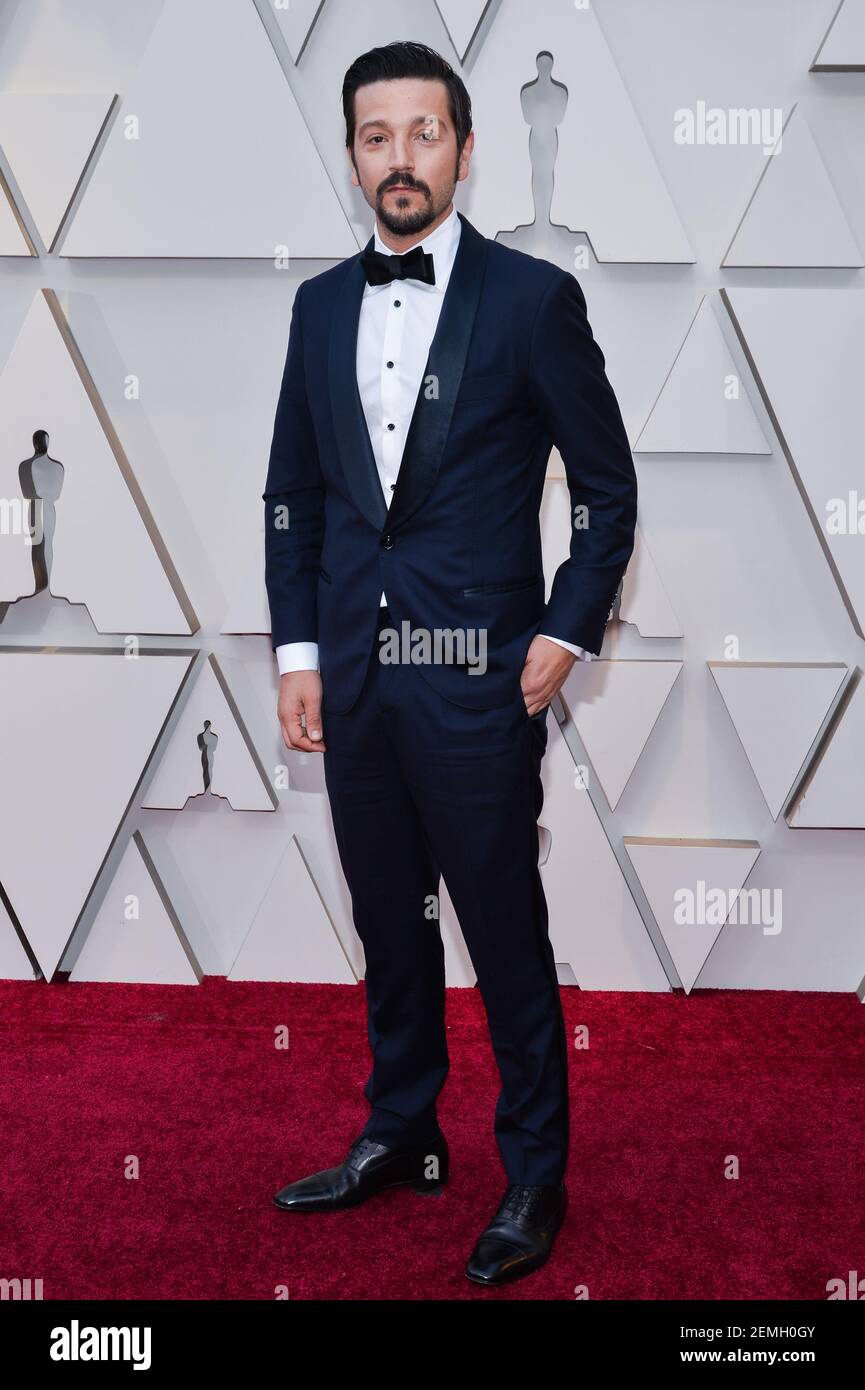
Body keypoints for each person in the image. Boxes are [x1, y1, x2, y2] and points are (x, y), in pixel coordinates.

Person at [261, 40, 637, 1287]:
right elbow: (295, 495)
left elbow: (604, 487)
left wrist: (566, 627)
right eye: (377, 137)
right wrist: (301, 652)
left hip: (478, 678)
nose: (400, 159)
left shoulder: (532, 301)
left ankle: (534, 1173)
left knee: (502, 927)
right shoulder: (319, 306)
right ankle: (400, 1129)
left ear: (465, 150)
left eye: (423, 134)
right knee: (390, 918)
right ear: (354, 155)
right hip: (355, 680)